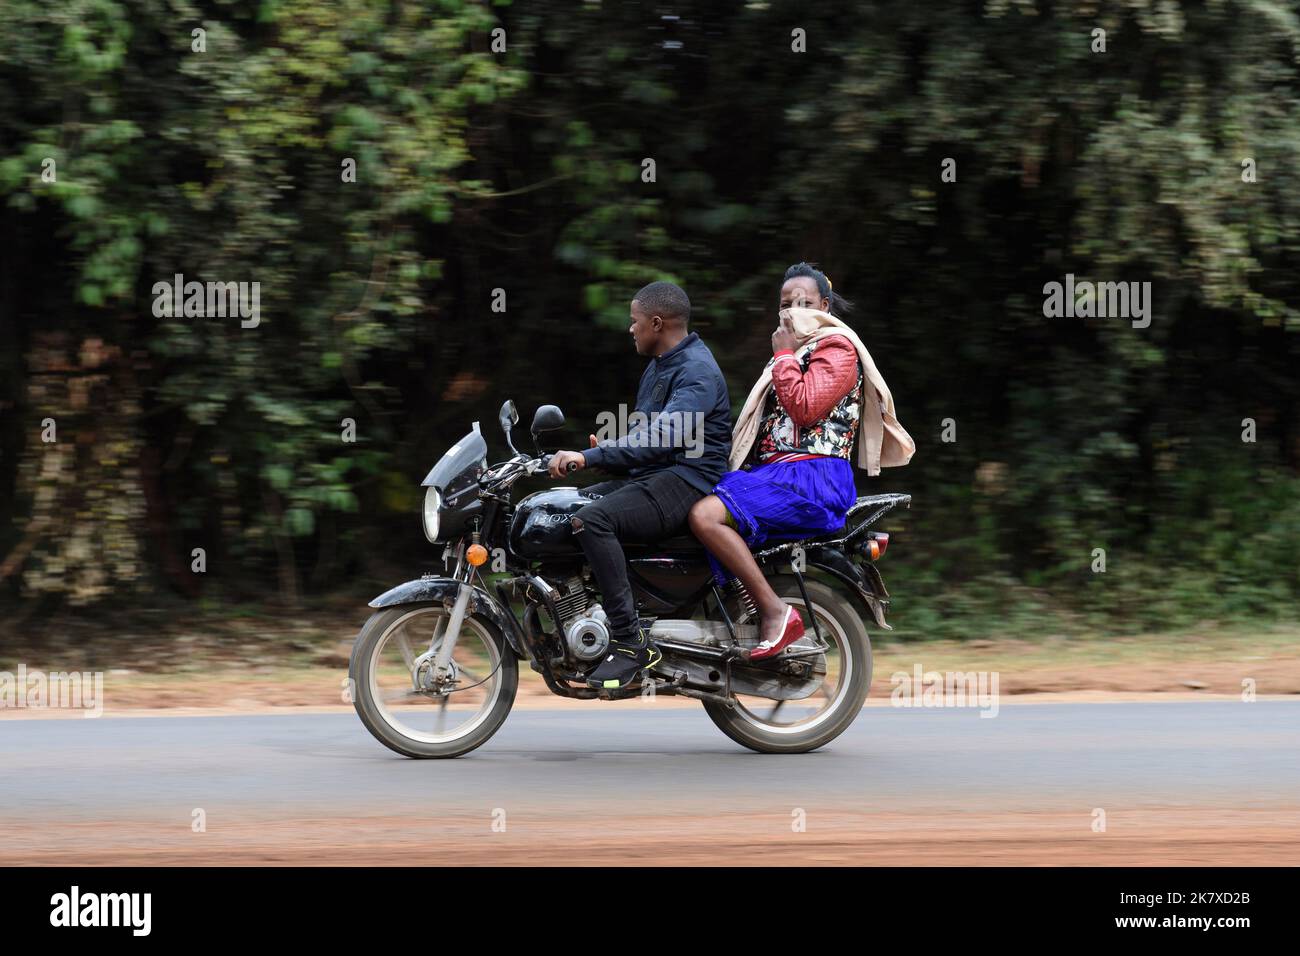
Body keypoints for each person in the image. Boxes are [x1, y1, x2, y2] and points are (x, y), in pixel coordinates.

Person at [688, 263, 915, 660]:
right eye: (784, 304)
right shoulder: (793, 355)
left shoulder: (838, 348)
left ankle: (775, 613)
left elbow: (806, 408)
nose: (792, 311)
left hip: (813, 478)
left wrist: (783, 356)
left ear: (824, 305)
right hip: (777, 475)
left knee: (707, 516)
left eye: (803, 302)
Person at [548, 280, 732, 690]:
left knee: (593, 521)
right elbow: (643, 439)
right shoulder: (659, 367)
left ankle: (632, 643)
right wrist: (605, 457)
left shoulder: (697, 372)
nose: (630, 329)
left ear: (656, 322)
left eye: (634, 322)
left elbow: (662, 438)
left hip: (689, 480)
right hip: (660, 475)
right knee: (563, 508)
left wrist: (591, 456)